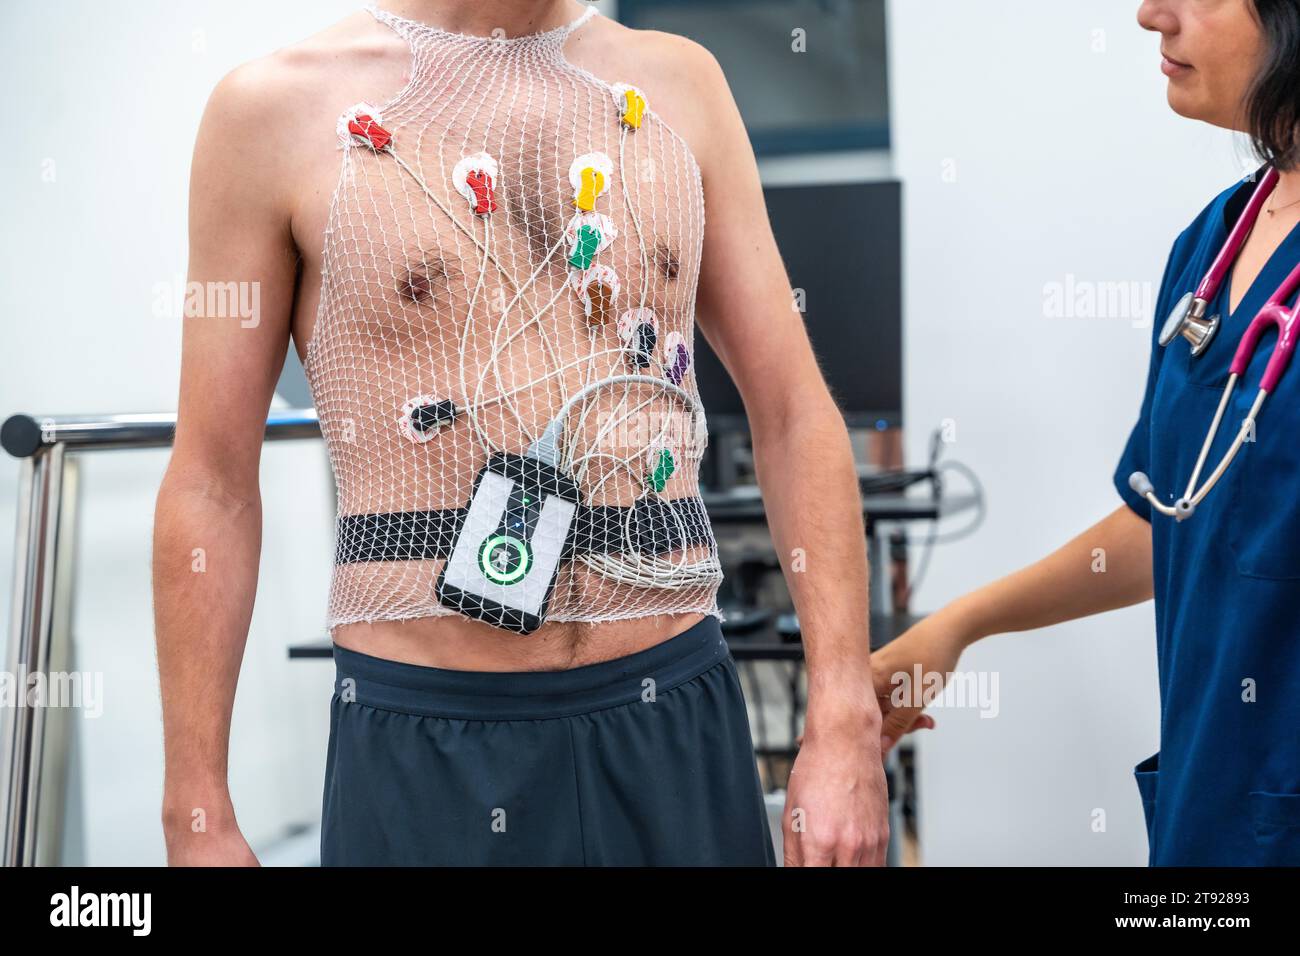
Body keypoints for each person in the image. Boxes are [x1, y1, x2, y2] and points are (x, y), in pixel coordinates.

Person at [153, 0, 889, 867]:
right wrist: (194, 809)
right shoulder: (274, 112)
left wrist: (845, 715)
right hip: (431, 737)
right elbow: (212, 480)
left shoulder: (678, 84)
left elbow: (795, 411)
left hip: (672, 713)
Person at [874, 0, 1300, 866]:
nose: (1151, 15)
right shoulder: (1211, 248)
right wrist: (957, 625)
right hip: (1215, 801)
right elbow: (1168, 516)